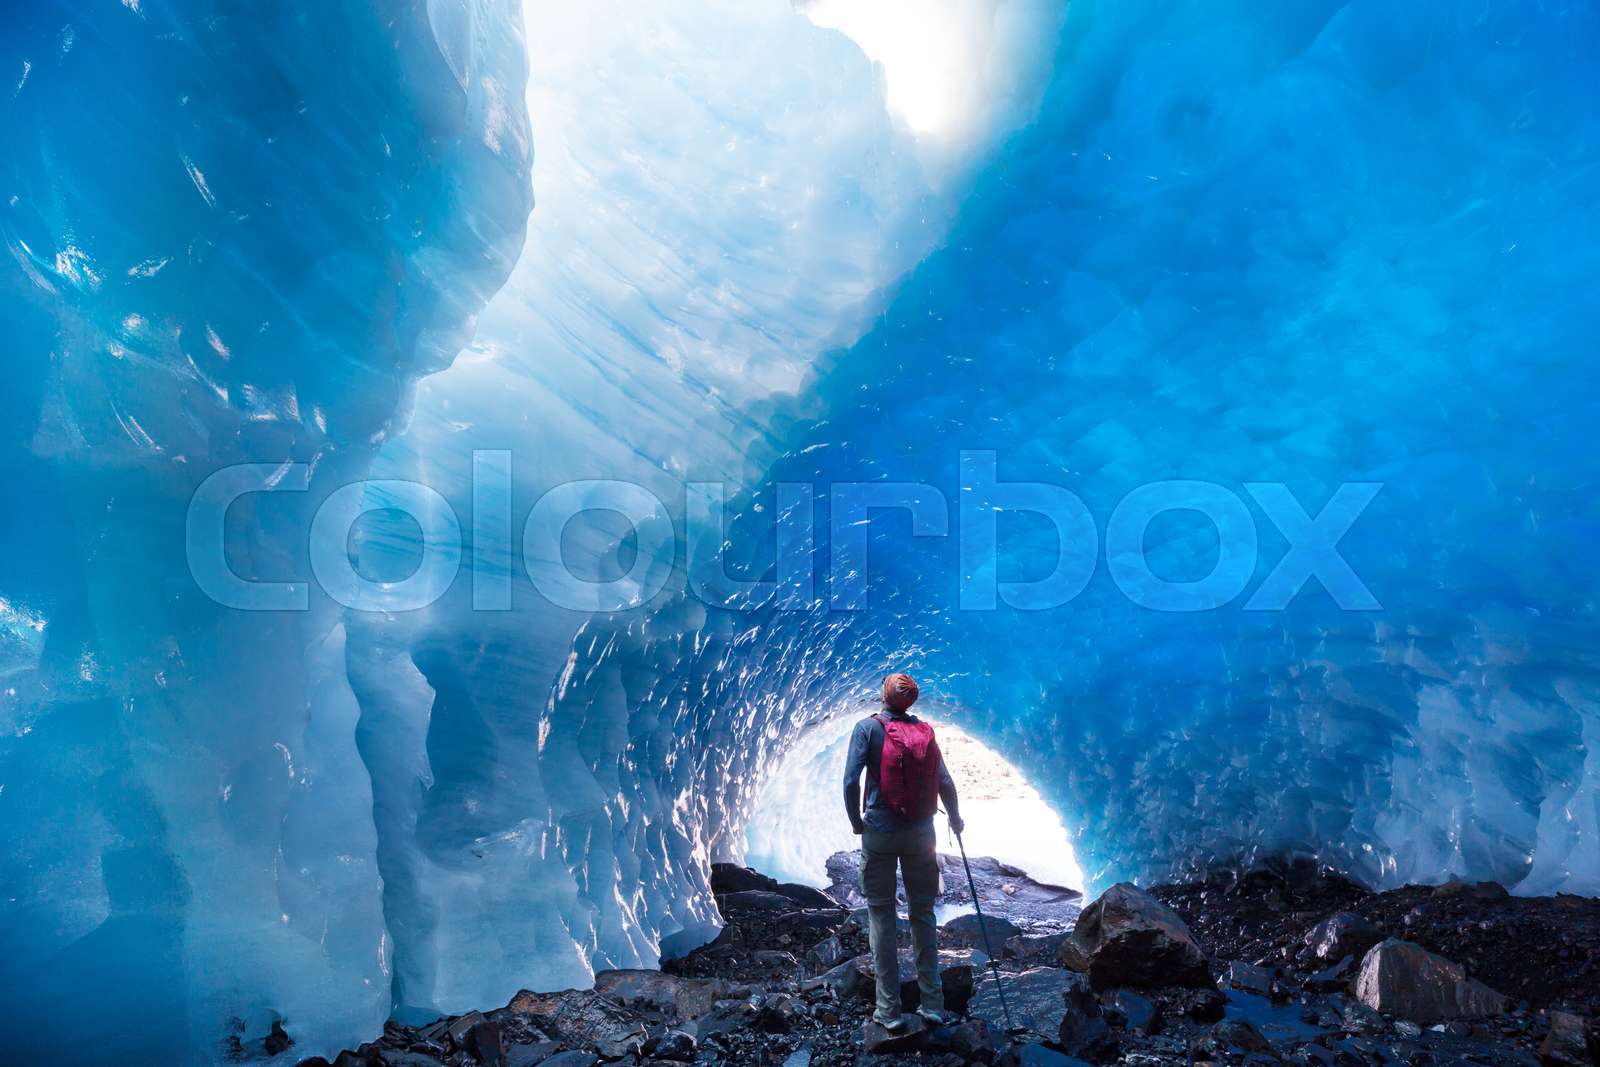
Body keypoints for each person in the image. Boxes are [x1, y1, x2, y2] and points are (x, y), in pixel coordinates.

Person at [841, 672, 963, 1031]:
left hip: (880, 830)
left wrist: (856, 823)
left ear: (884, 694)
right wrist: (955, 819)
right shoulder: (924, 731)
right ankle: (933, 1005)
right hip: (921, 833)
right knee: (923, 914)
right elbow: (945, 782)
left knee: (881, 916)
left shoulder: (867, 728)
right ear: (910, 700)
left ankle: (888, 1011)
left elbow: (851, 781)